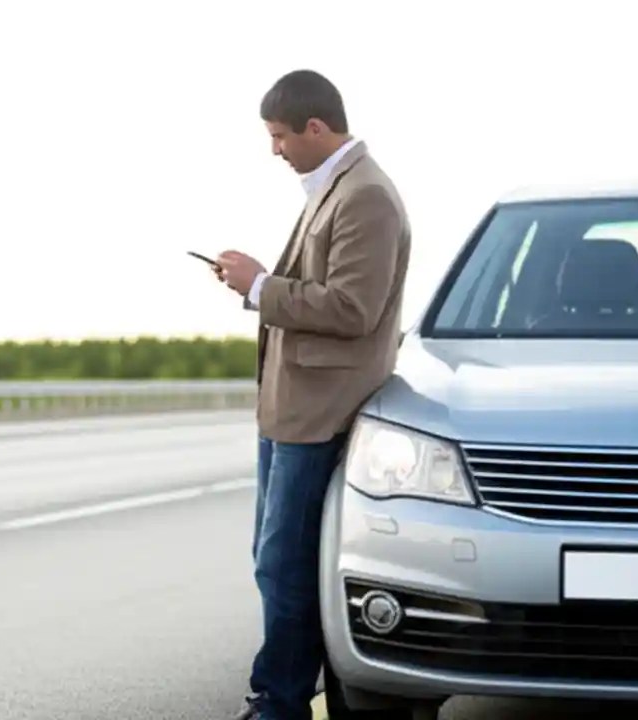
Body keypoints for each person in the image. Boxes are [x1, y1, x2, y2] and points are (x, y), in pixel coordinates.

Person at [214, 69, 412, 720]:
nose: (275, 150)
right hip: (290, 411)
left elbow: (353, 309)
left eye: (279, 136)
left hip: (319, 414)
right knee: (276, 563)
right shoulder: (333, 189)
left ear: (317, 128)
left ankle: (280, 704)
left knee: (286, 568)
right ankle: (299, 697)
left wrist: (258, 286)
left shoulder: (367, 197)